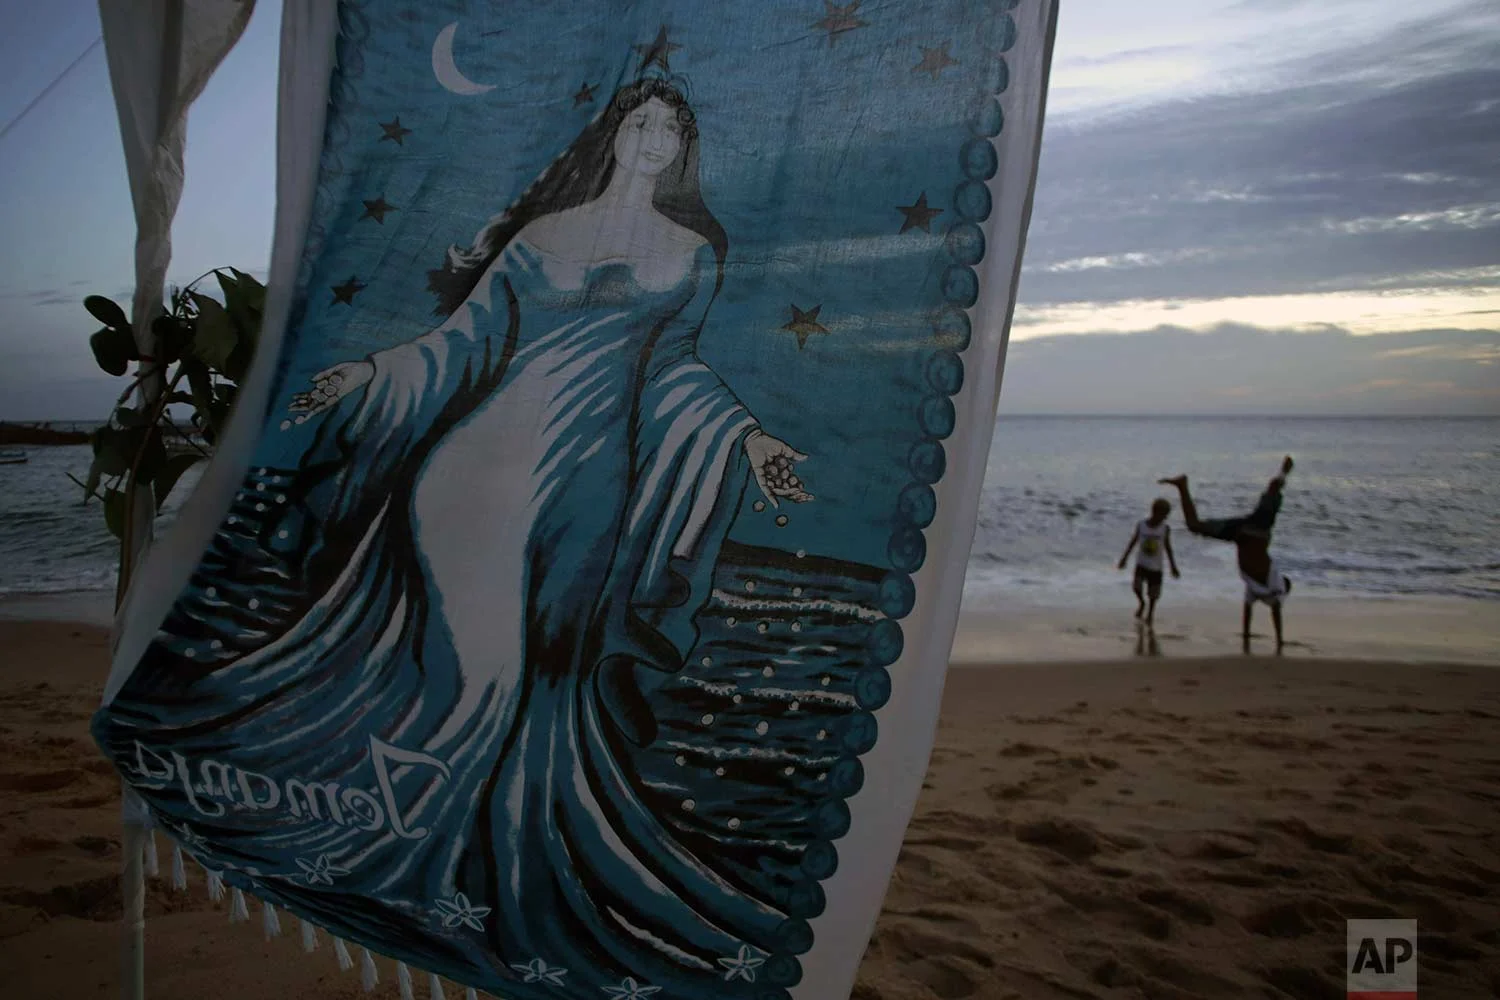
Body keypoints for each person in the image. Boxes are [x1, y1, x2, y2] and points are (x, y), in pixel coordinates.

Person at [108, 73, 823, 991]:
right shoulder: (537, 237)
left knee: (532, 665)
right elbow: (463, 341)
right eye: (637, 120)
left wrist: (748, 437)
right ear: (612, 135)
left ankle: (447, 845)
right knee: (477, 655)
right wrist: (369, 369)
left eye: (668, 128)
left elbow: (676, 372)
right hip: (473, 466)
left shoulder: (694, 250)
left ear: (683, 149)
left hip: (590, 485)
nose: (650, 136)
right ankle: (418, 851)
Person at [1159, 456, 1295, 652]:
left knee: (1194, 525)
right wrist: (1279, 641)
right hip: (1258, 529)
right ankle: (1284, 470)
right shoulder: (1276, 588)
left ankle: (1182, 485)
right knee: (1273, 491)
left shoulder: (1254, 588)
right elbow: (1276, 612)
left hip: (1241, 533)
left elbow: (1247, 611)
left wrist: (1246, 637)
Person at [1116, 497, 1179, 626]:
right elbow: (1133, 542)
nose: (1165, 518)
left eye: (1166, 515)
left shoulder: (1165, 529)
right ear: (1154, 512)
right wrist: (1124, 558)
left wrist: (1173, 566)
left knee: (1153, 594)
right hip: (1142, 563)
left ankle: (1150, 613)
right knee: (1136, 586)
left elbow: (1168, 548)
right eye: (1163, 515)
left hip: (1156, 567)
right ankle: (1141, 603)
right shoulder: (1142, 525)